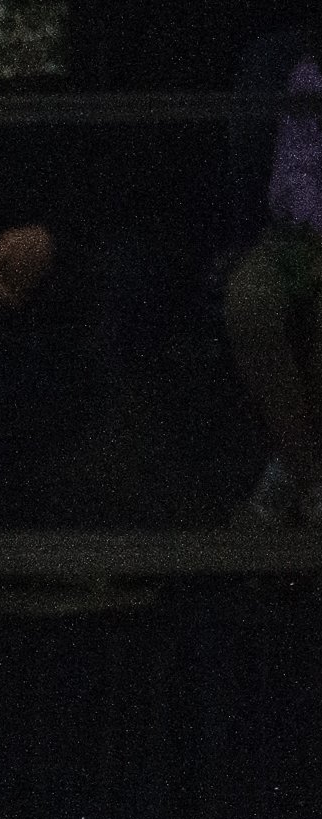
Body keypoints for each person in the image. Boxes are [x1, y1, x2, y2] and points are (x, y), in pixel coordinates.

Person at [0, 0, 239, 528]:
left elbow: (156, 146)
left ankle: (101, 535)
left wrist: (58, 236)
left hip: (107, 218)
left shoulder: (138, 19)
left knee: (124, 287)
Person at [224, 30, 321, 527]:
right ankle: (305, 474)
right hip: (301, 238)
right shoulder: (308, 72)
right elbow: (293, 172)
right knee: (249, 299)